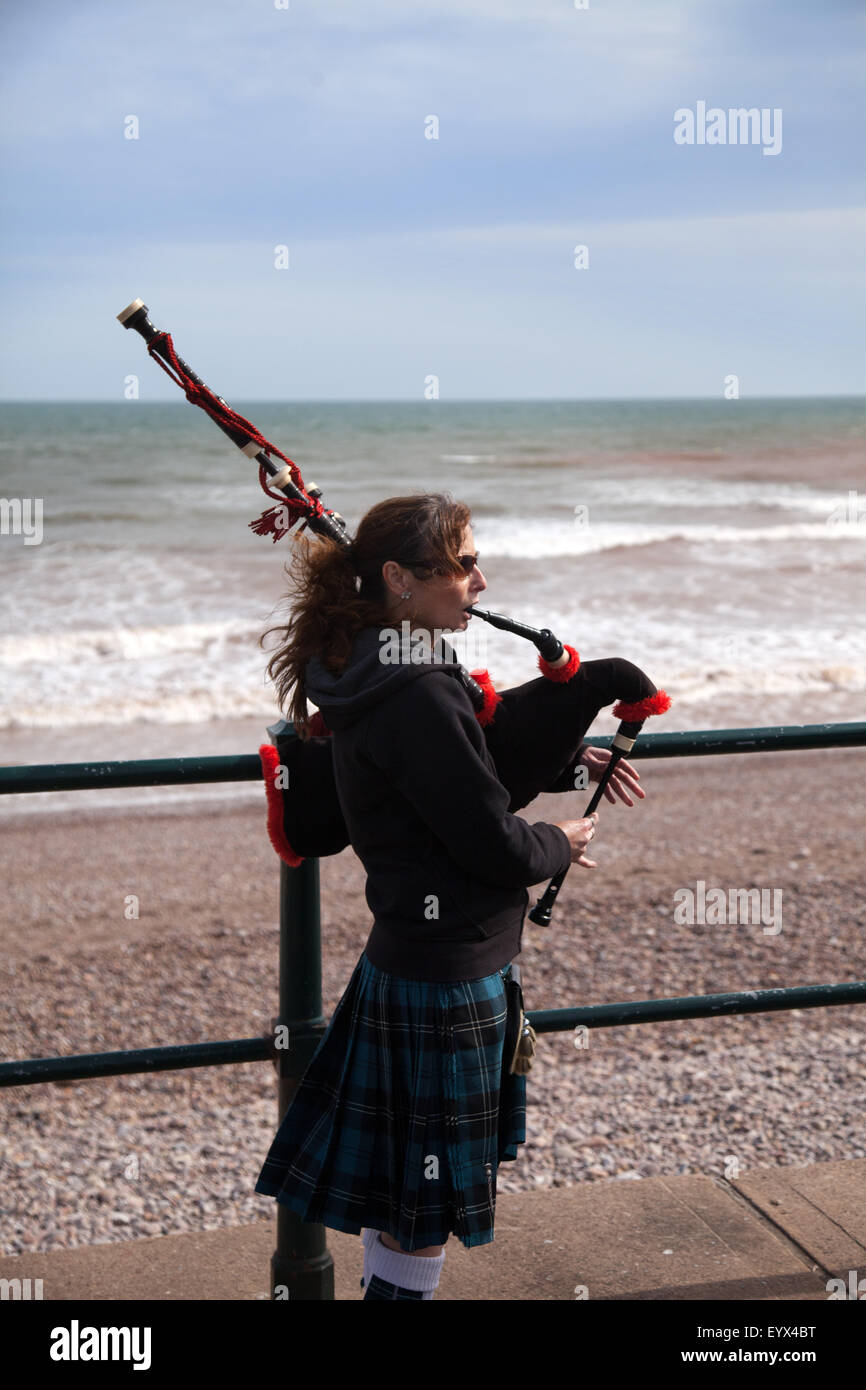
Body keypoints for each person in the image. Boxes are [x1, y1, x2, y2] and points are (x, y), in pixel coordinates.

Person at [253, 492, 644, 1300]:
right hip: (449, 979)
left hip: (409, 959)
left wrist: (569, 760)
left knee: (400, 1188)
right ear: (400, 577)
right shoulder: (420, 690)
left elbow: (448, 778)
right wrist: (559, 841)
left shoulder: (370, 665)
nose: (482, 581)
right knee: (421, 1208)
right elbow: (490, 841)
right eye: (464, 565)